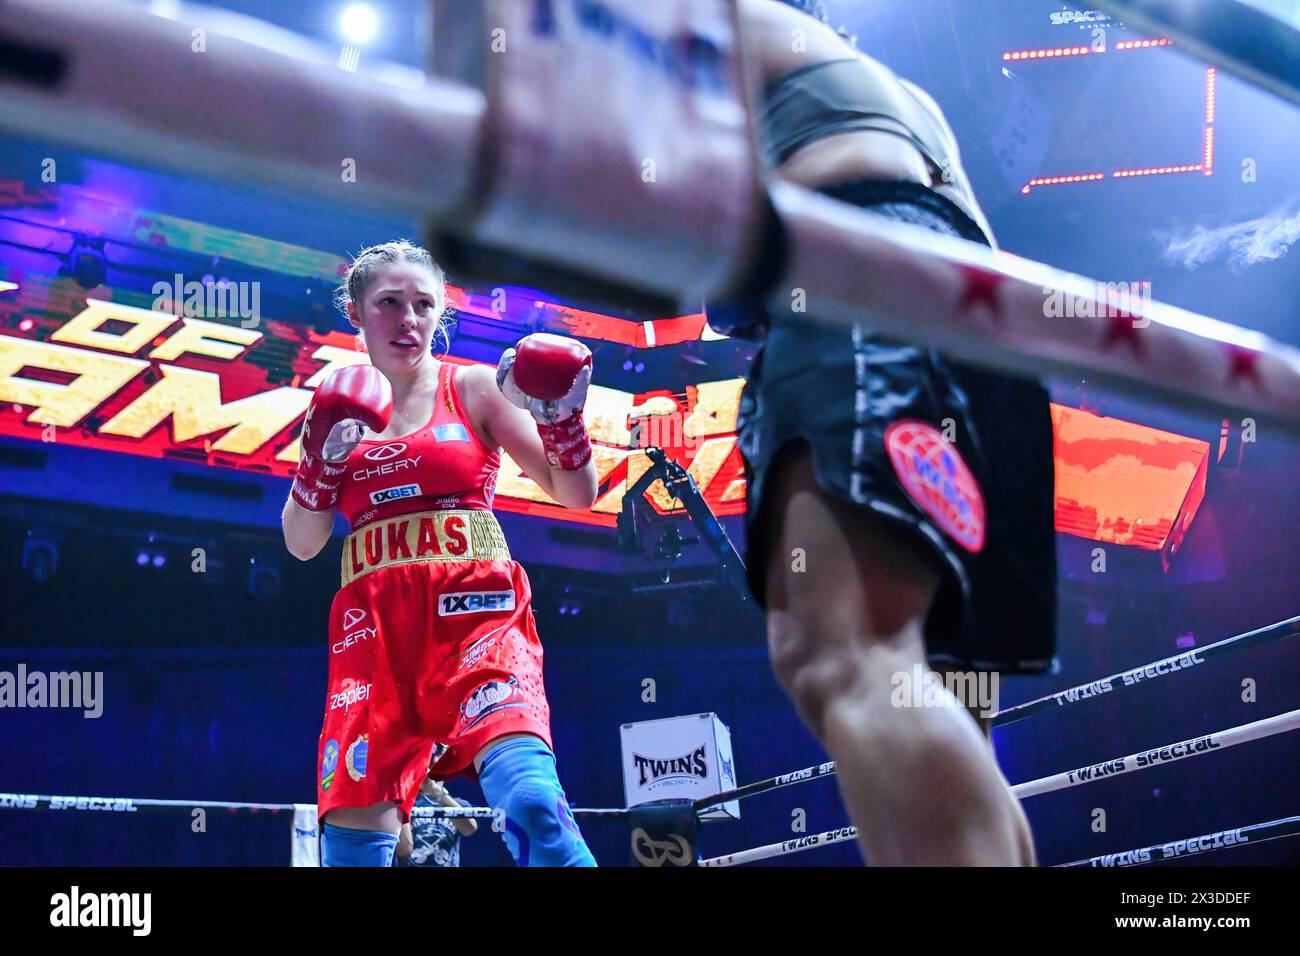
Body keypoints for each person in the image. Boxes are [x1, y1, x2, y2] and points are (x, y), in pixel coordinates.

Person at [708, 0, 1056, 865]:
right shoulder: (910, 100)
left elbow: (670, 246)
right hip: (986, 335)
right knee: (935, 700)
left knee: (842, 655)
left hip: (863, 273)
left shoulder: (721, 21)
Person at [283, 239, 598, 867]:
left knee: (533, 804)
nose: (408, 320)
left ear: (440, 314)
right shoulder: (334, 408)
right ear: (356, 311)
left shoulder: (475, 387)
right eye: (389, 303)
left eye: (423, 305)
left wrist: (564, 420)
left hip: (475, 616)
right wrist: (320, 460)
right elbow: (301, 542)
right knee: (350, 854)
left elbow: (576, 494)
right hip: (371, 632)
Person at [395, 747, 478, 868]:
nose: (436, 761)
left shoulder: (458, 804)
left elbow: (470, 828)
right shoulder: (403, 803)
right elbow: (403, 849)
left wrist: (435, 791)